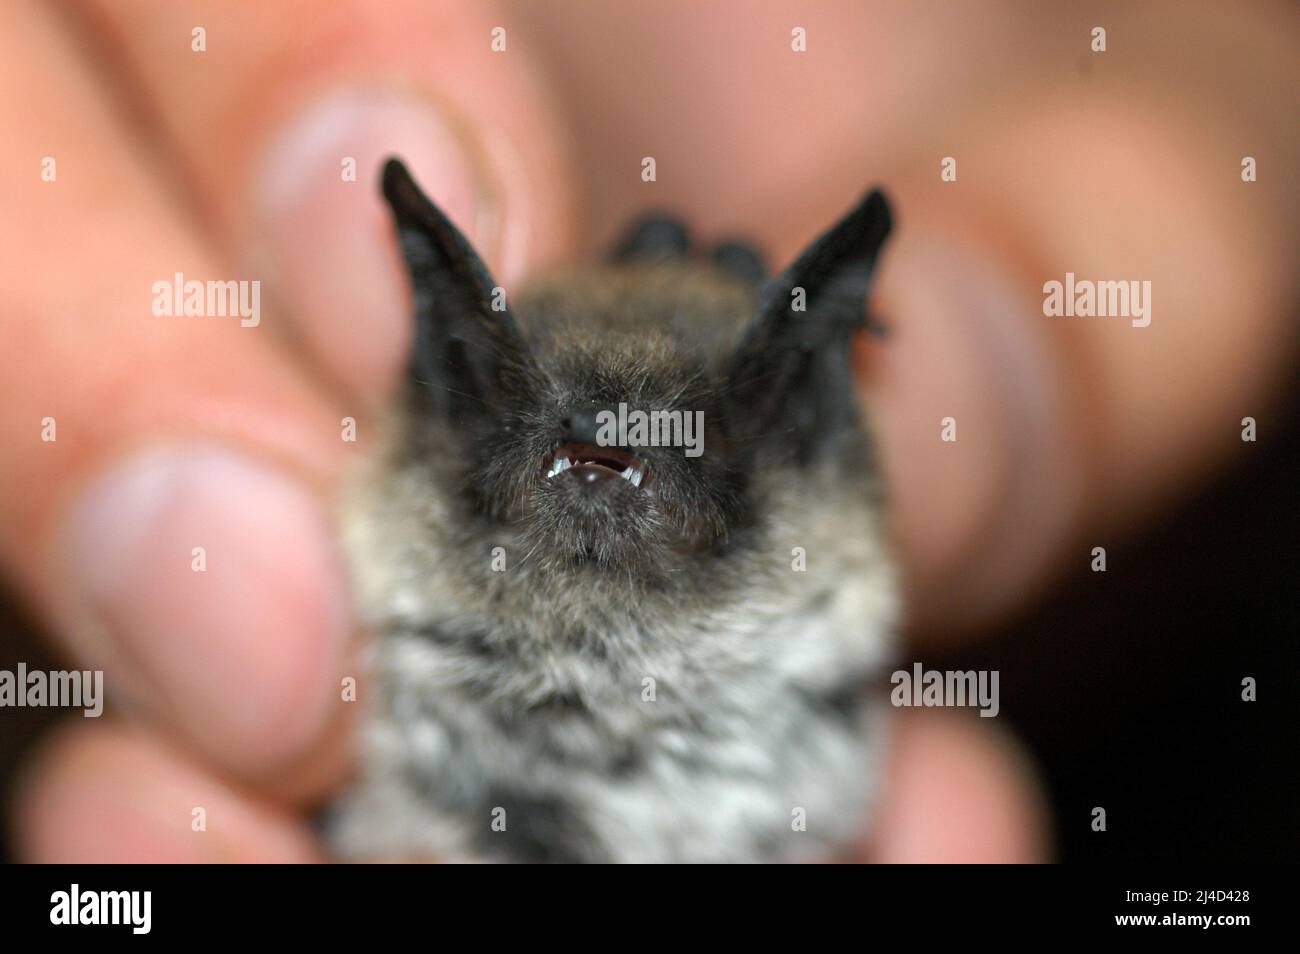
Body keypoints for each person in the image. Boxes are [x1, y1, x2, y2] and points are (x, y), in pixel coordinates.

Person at [4, 1, 1296, 862]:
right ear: (446, 399)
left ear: (794, 412)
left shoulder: (826, 531)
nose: (603, 459)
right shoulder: (358, 599)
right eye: (527, 416)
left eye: (690, 435)